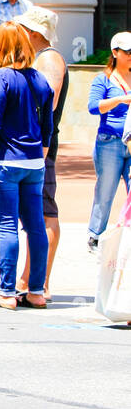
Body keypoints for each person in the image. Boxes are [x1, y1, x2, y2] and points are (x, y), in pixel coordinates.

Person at [0, 22, 53, 310]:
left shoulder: (1, 77)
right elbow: (48, 127)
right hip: (34, 161)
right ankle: (36, 291)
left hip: (4, 161)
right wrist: (39, 156)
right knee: (35, 226)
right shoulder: (39, 78)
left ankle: (7, 291)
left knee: (7, 225)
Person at [16, 7, 67, 297]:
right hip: (35, 145)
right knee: (36, 212)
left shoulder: (48, 58)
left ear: (34, 33)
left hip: (39, 147)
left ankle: (37, 281)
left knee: (44, 212)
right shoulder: (40, 58)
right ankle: (30, 279)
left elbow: (48, 102)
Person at [85, 31, 131, 250]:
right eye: (128, 51)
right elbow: (93, 107)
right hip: (109, 142)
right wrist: (121, 98)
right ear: (115, 52)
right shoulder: (103, 79)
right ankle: (95, 235)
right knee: (106, 190)